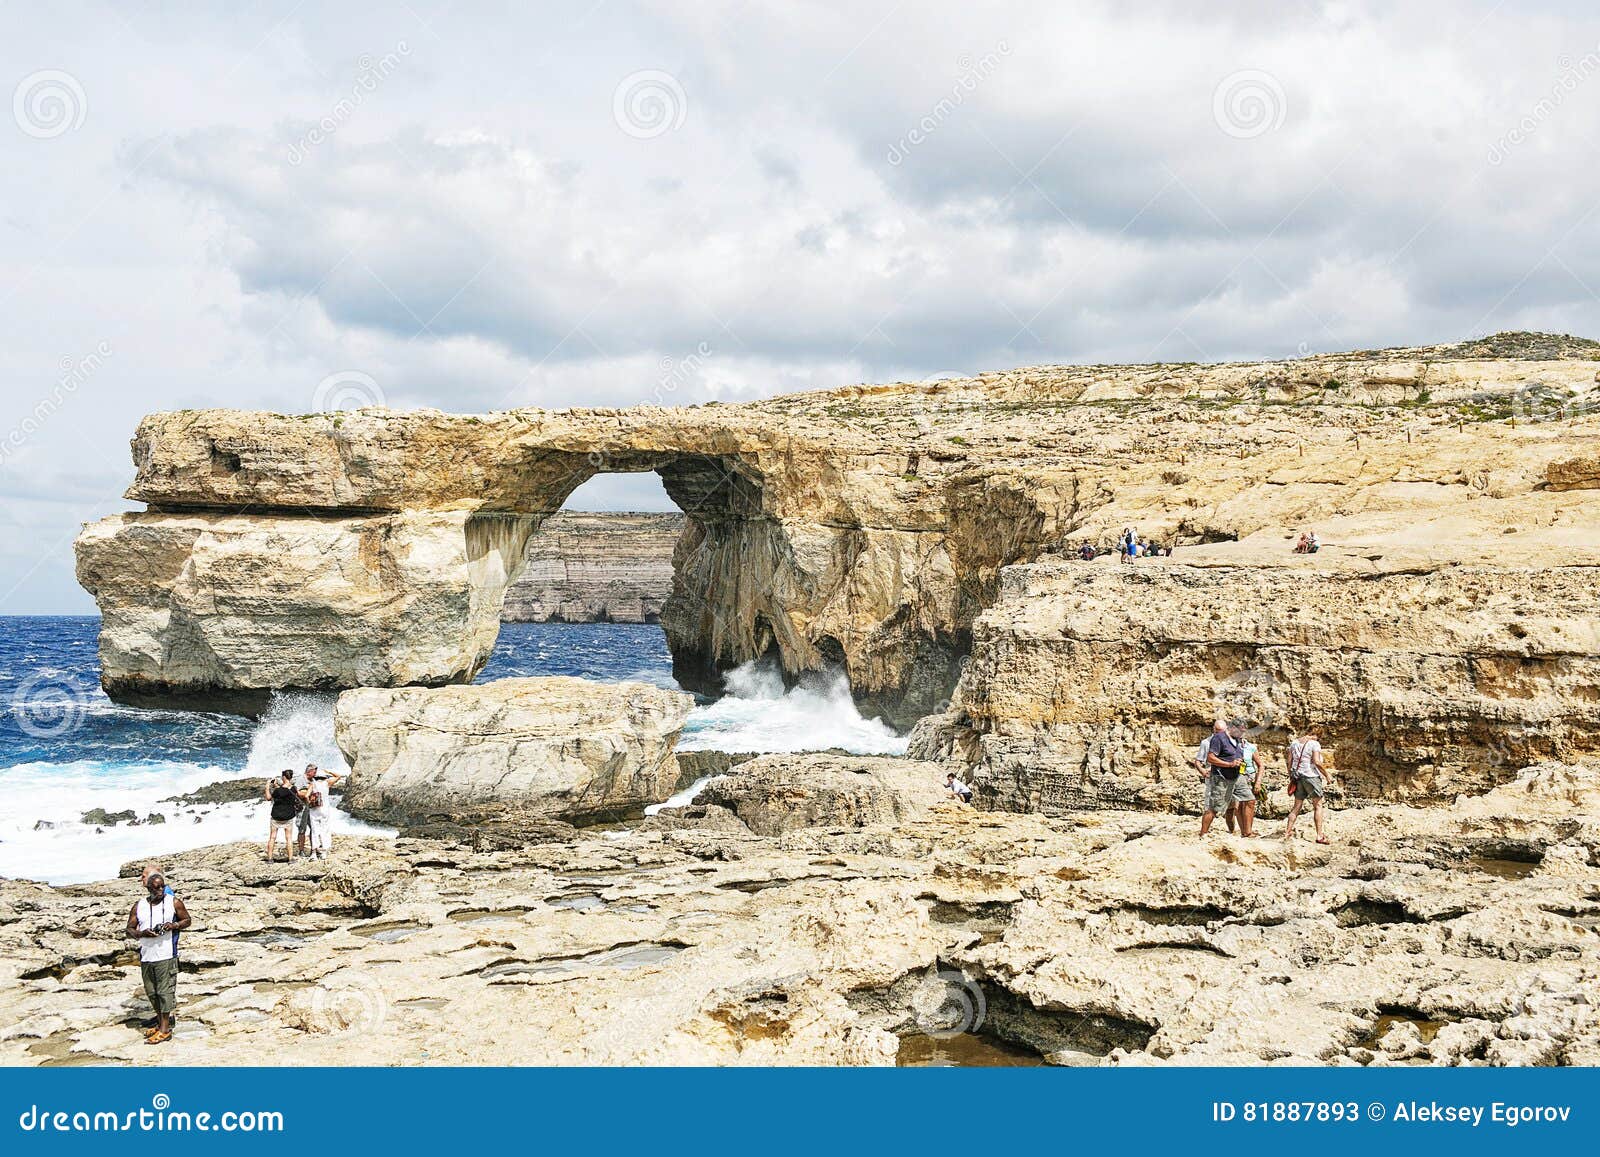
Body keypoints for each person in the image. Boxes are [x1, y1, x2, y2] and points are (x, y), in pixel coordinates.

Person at [125, 870, 190, 1045]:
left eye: (162, 887)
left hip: (166, 954)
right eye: (156, 888)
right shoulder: (139, 906)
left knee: (164, 992)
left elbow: (187, 920)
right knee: (152, 992)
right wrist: (141, 933)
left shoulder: (174, 902)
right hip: (147, 955)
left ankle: (165, 1030)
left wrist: (173, 925)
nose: (160, 891)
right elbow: (129, 929)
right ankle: (161, 1023)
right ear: (148, 888)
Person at [1284, 728, 1333, 844]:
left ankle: (1287, 832)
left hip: (1298, 777)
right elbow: (1316, 761)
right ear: (1317, 735)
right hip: (1311, 777)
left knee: (1296, 806)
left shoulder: (1294, 743)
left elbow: (1289, 762)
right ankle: (1320, 836)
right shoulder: (1314, 744)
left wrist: (1291, 776)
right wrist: (1327, 775)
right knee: (1318, 806)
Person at [1200, 720, 1248, 836]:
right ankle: (1203, 834)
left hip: (1234, 777)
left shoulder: (1236, 740)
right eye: (1240, 731)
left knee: (1234, 806)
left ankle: (1238, 832)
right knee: (1213, 807)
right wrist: (1203, 771)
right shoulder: (1211, 741)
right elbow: (1208, 758)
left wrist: (1239, 762)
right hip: (1219, 777)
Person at [303, 763, 343, 858]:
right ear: (324, 777)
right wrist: (328, 771)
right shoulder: (327, 783)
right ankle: (324, 851)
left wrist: (310, 803)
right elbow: (339, 776)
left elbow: (305, 796)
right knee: (325, 830)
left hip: (314, 810)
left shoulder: (313, 784)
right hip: (325, 809)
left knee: (315, 830)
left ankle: (313, 853)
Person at [265, 769, 300, 863]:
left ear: (283, 777)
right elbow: (286, 791)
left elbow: (269, 797)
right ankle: (290, 859)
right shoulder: (294, 789)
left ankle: (270, 859)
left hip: (276, 816)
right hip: (288, 816)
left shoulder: (277, 791)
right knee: (288, 838)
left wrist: (268, 786)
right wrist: (276, 785)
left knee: (272, 837)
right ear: (291, 777)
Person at [294, 763, 316, 856]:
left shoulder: (313, 780)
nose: (315, 774)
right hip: (302, 808)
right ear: (309, 772)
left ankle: (313, 849)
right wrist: (308, 794)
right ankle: (301, 850)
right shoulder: (300, 779)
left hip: (311, 808)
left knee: (313, 829)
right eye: (314, 772)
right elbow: (296, 792)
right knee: (302, 830)